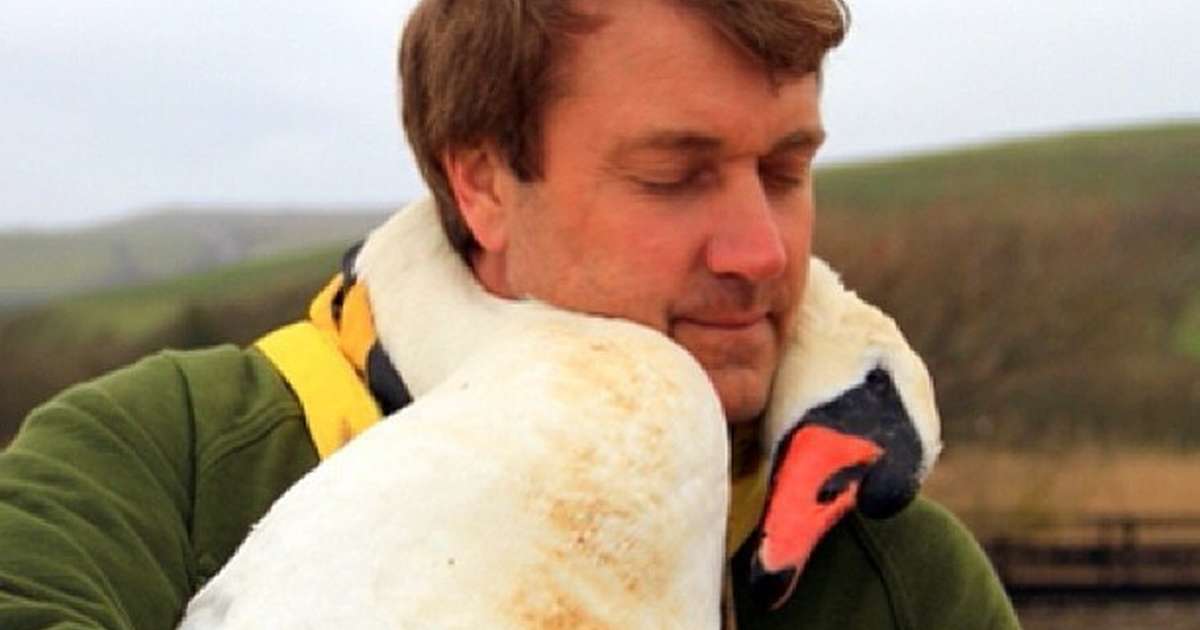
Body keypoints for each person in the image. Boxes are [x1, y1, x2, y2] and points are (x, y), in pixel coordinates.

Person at [0, 0, 1020, 628]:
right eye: (675, 176)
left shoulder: (898, 584)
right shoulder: (170, 460)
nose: (760, 252)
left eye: (787, 169)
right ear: (482, 181)